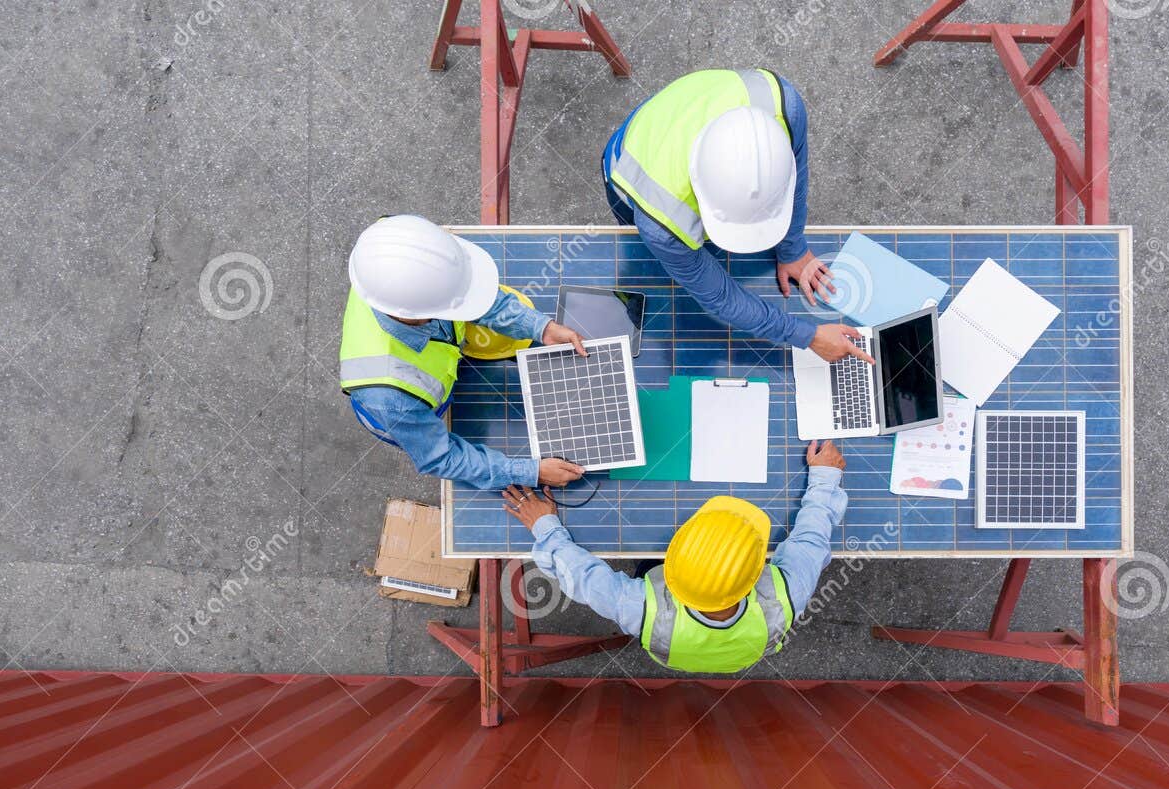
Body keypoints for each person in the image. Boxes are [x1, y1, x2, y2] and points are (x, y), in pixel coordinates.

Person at [502, 440, 849, 673]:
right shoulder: (786, 597)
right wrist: (826, 475)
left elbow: (583, 577)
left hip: (672, 649)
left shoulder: (642, 608)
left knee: (638, 571)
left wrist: (544, 525)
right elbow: (812, 536)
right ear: (757, 572)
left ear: (674, 563)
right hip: (741, 654)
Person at [602, 68, 873, 365]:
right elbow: (719, 296)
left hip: (686, 111)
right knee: (650, 267)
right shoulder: (661, 220)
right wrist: (806, 335)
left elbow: (797, 177)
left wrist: (793, 249)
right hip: (635, 158)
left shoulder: (785, 107)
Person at [339, 214, 590, 490]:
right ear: (424, 313)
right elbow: (441, 457)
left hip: (429, 364)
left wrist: (541, 328)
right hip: (406, 411)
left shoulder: (395, 246)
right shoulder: (390, 398)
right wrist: (530, 472)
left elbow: (471, 296)